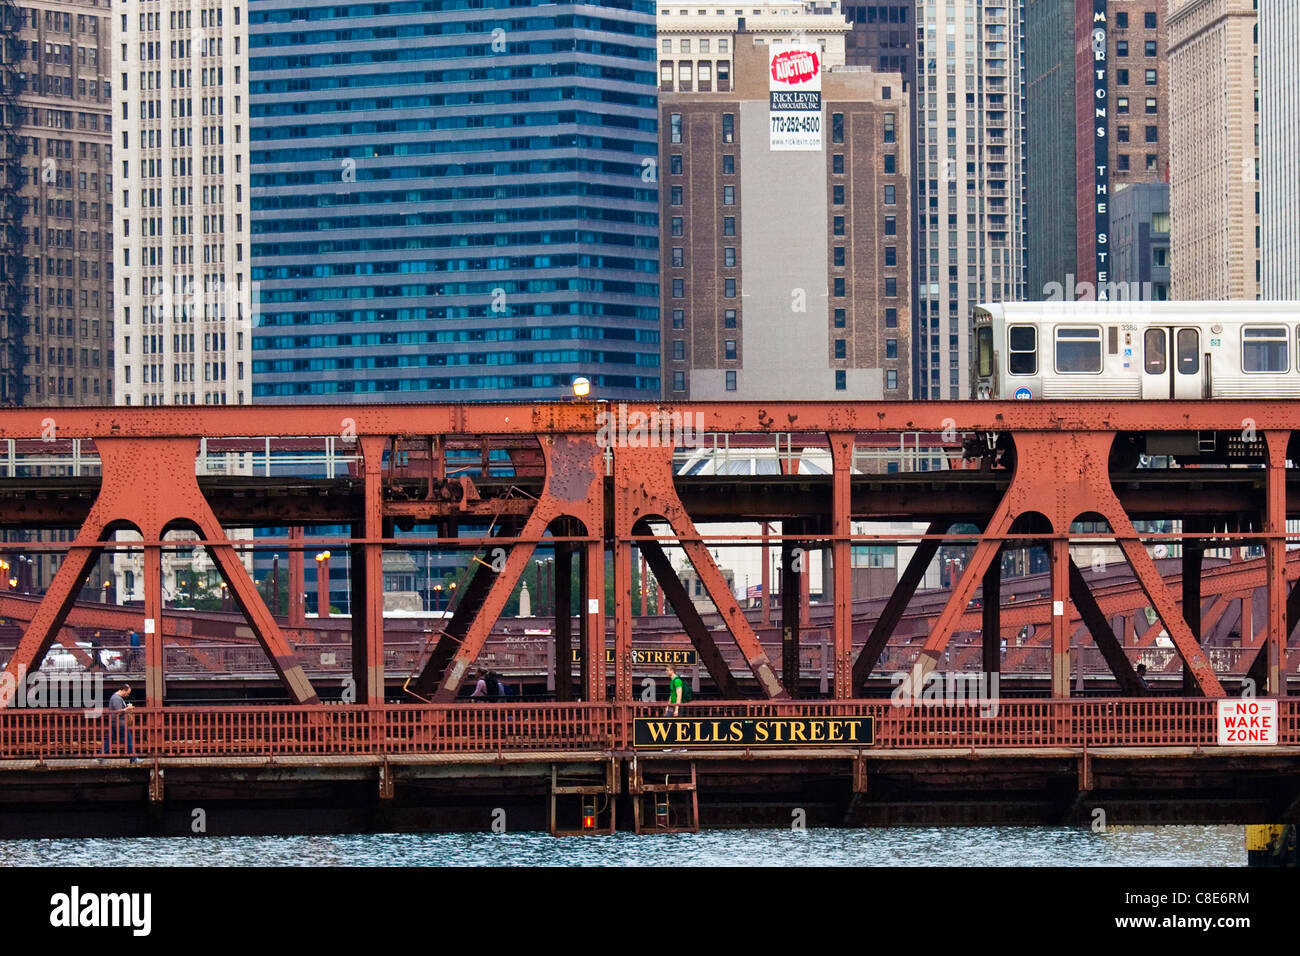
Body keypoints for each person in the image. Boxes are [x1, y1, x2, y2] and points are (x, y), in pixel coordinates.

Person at [103, 684, 139, 763]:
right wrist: (127, 708)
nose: (127, 695)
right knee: (129, 740)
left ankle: (99, 757)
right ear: (123, 690)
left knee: (109, 740)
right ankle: (134, 758)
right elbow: (117, 712)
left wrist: (127, 709)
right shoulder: (116, 698)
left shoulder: (116, 698)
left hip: (115, 723)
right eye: (127, 693)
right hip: (119, 723)